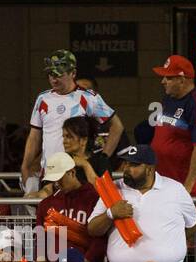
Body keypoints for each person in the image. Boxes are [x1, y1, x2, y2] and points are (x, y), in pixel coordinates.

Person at [88, 144, 196, 262]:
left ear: (149, 169)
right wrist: (111, 213)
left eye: (133, 165)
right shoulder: (113, 190)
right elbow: (92, 228)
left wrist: (171, 244)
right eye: (126, 164)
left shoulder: (174, 189)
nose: (126, 169)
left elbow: (193, 223)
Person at [21, 50, 121, 189]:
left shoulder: (88, 98)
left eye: (59, 75)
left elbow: (117, 126)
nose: (54, 79)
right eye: (51, 74)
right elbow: (34, 136)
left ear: (73, 73)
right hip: (49, 174)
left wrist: (102, 158)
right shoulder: (43, 99)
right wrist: (25, 166)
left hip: (77, 175)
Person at [150, 54, 196, 197]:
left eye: (168, 78)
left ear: (182, 80)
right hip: (165, 183)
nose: (163, 82)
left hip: (187, 189)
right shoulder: (168, 98)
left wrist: (187, 189)